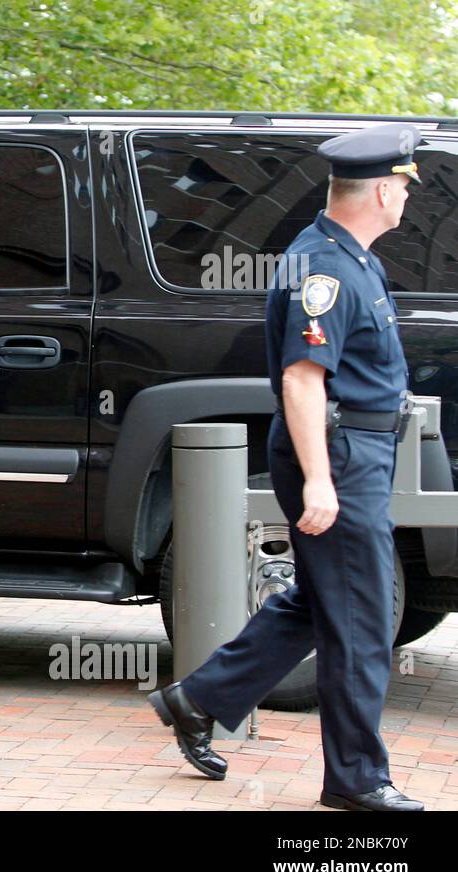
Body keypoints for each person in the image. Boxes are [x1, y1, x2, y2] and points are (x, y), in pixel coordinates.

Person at [148, 123, 426, 811]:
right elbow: (303, 380)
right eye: (403, 188)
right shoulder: (325, 270)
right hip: (334, 454)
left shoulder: (354, 257)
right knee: (360, 620)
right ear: (383, 192)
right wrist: (321, 480)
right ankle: (357, 778)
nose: (406, 202)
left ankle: (198, 697)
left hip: (355, 451)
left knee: (323, 600)